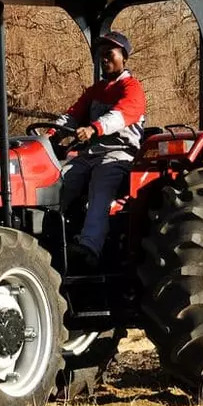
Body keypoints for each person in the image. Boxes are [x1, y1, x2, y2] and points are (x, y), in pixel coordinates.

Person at [54, 31, 147, 269]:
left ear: (123, 57)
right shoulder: (96, 89)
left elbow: (119, 116)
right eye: (100, 56)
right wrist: (52, 134)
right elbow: (73, 115)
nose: (104, 59)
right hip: (89, 154)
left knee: (102, 183)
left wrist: (94, 128)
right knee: (60, 179)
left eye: (109, 54)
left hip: (120, 153)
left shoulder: (132, 88)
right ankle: (52, 237)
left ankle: (89, 248)